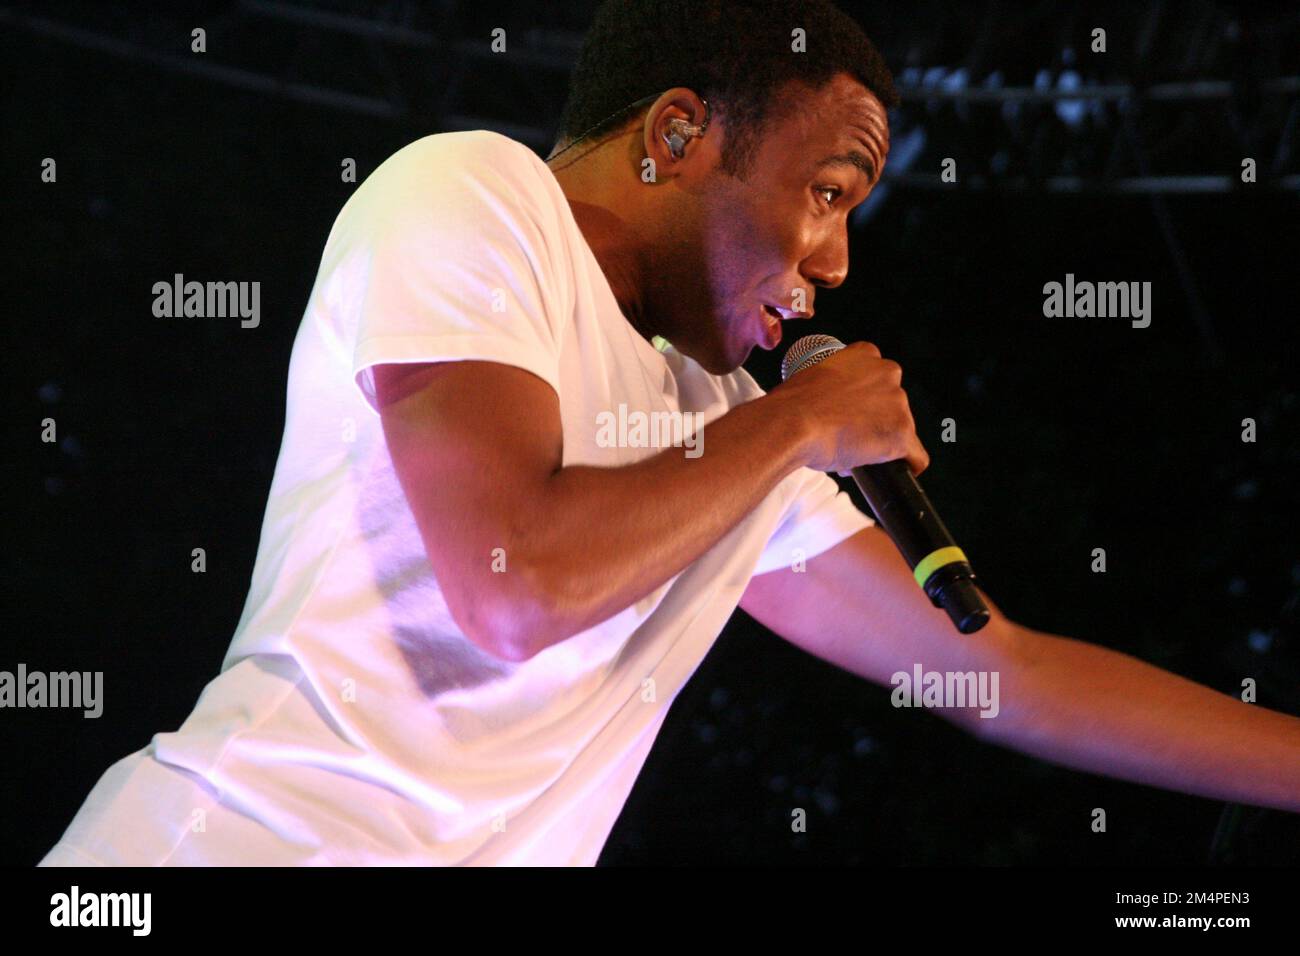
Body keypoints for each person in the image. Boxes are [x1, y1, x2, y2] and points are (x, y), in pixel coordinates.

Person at [40, 0, 1299, 867]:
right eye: (827, 191)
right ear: (678, 134)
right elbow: (514, 584)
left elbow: (1002, 674)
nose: (836, 261)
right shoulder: (471, 194)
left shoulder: (725, 426)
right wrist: (801, 420)